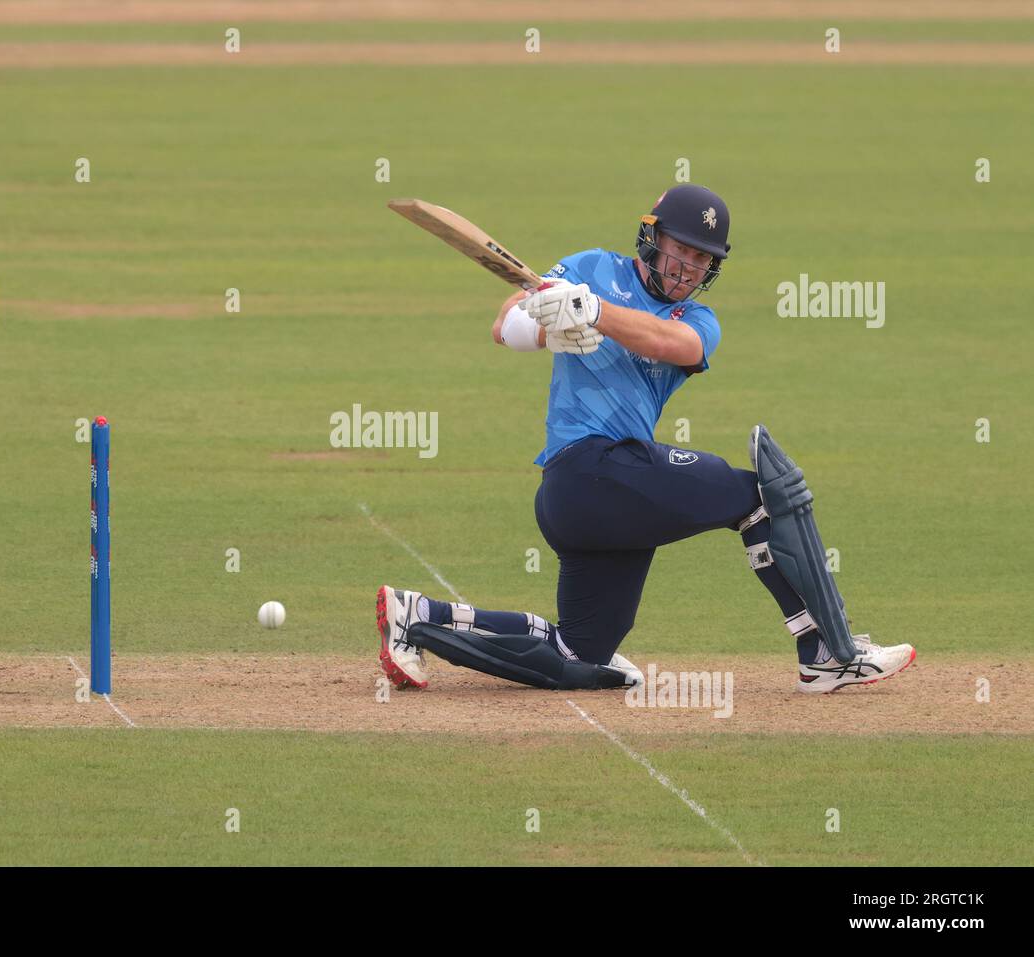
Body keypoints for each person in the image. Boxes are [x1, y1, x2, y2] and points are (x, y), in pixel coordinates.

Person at [376, 184, 915, 695]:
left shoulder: (696, 319)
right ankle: (824, 651)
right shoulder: (591, 267)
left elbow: (669, 343)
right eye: (680, 248)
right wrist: (548, 326)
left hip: (604, 504)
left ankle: (419, 617)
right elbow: (504, 325)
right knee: (758, 497)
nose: (687, 267)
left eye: (702, 259)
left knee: (581, 655)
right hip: (587, 471)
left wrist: (593, 312)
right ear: (652, 238)